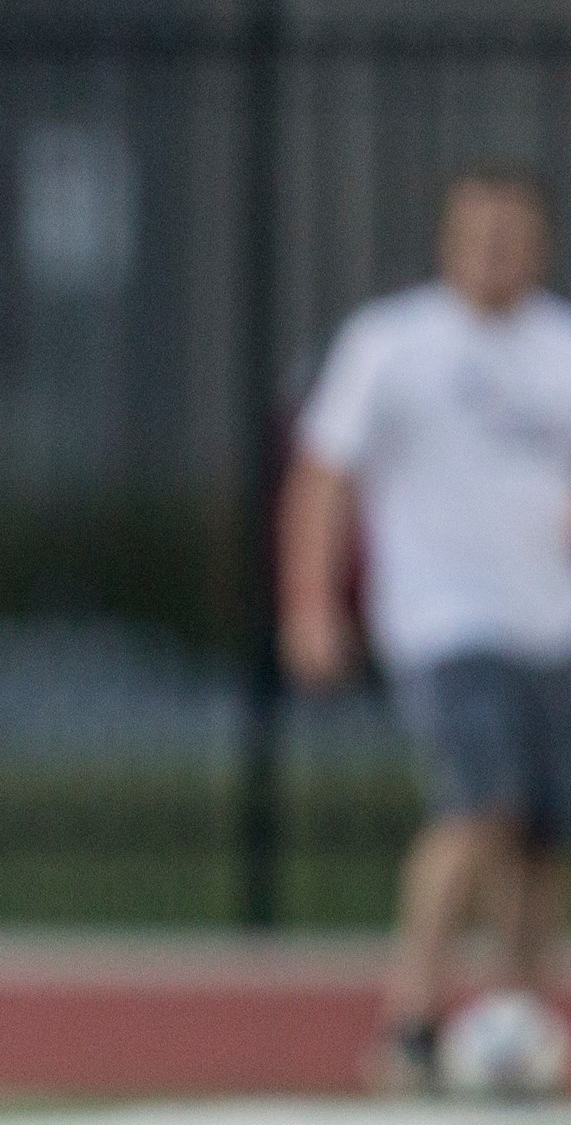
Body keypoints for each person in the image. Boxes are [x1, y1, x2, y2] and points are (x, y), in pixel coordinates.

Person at [279, 164, 571, 1093]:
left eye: (512, 235)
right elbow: (324, 475)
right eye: (478, 233)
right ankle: (409, 1019)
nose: (494, 251)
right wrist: (312, 605)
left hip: (550, 627)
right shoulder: (392, 343)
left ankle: (516, 1013)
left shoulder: (561, 347)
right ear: (449, 239)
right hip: (442, 621)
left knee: (537, 836)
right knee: (473, 807)